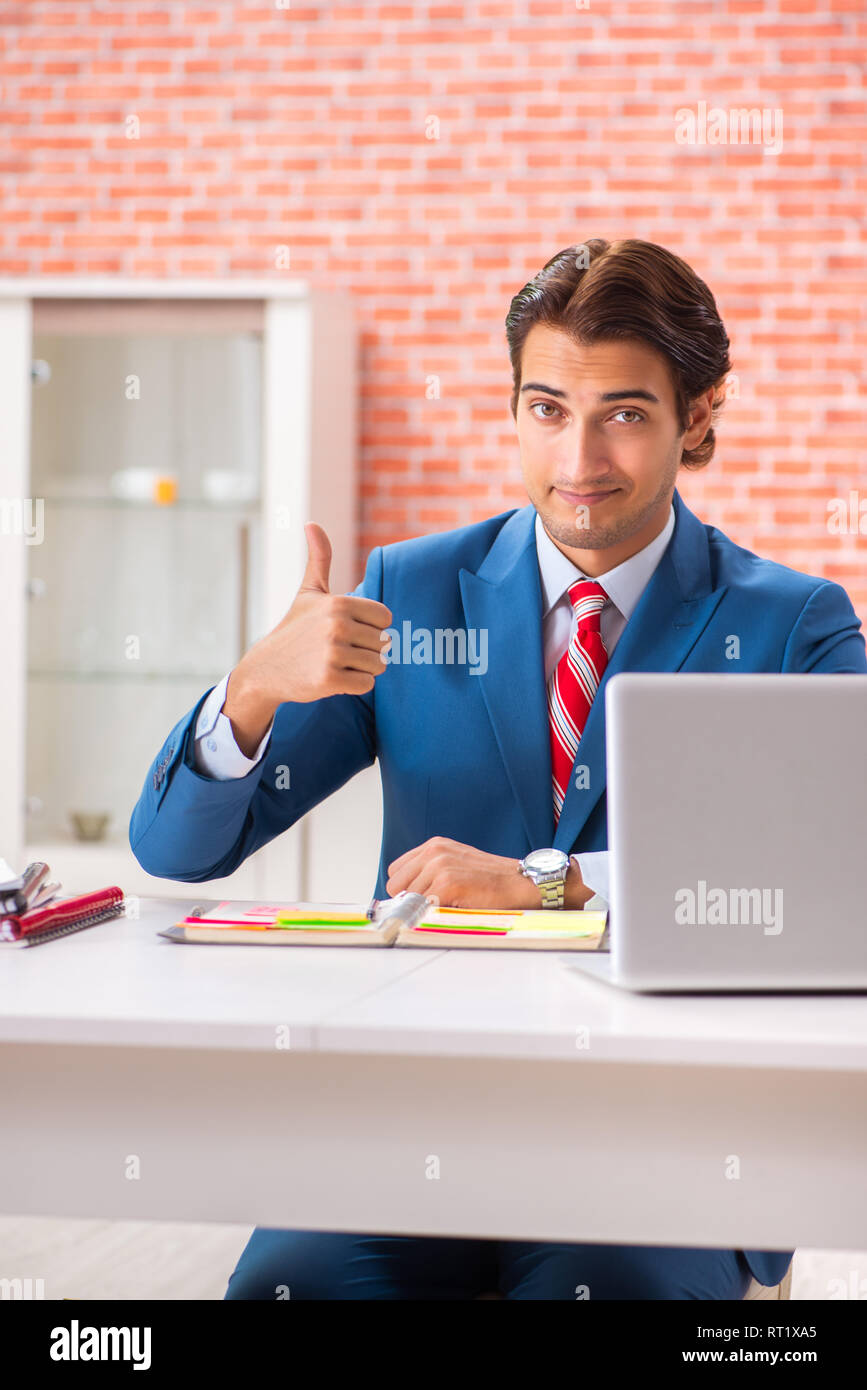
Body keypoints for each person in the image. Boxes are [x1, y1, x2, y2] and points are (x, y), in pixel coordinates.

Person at [130, 238, 866, 1298]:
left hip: (666, 1134)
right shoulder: (409, 593)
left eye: (622, 412)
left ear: (697, 417)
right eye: (546, 409)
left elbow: (840, 889)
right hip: (414, 1116)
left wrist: (549, 885)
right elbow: (174, 852)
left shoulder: (793, 624)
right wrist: (252, 688)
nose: (577, 460)